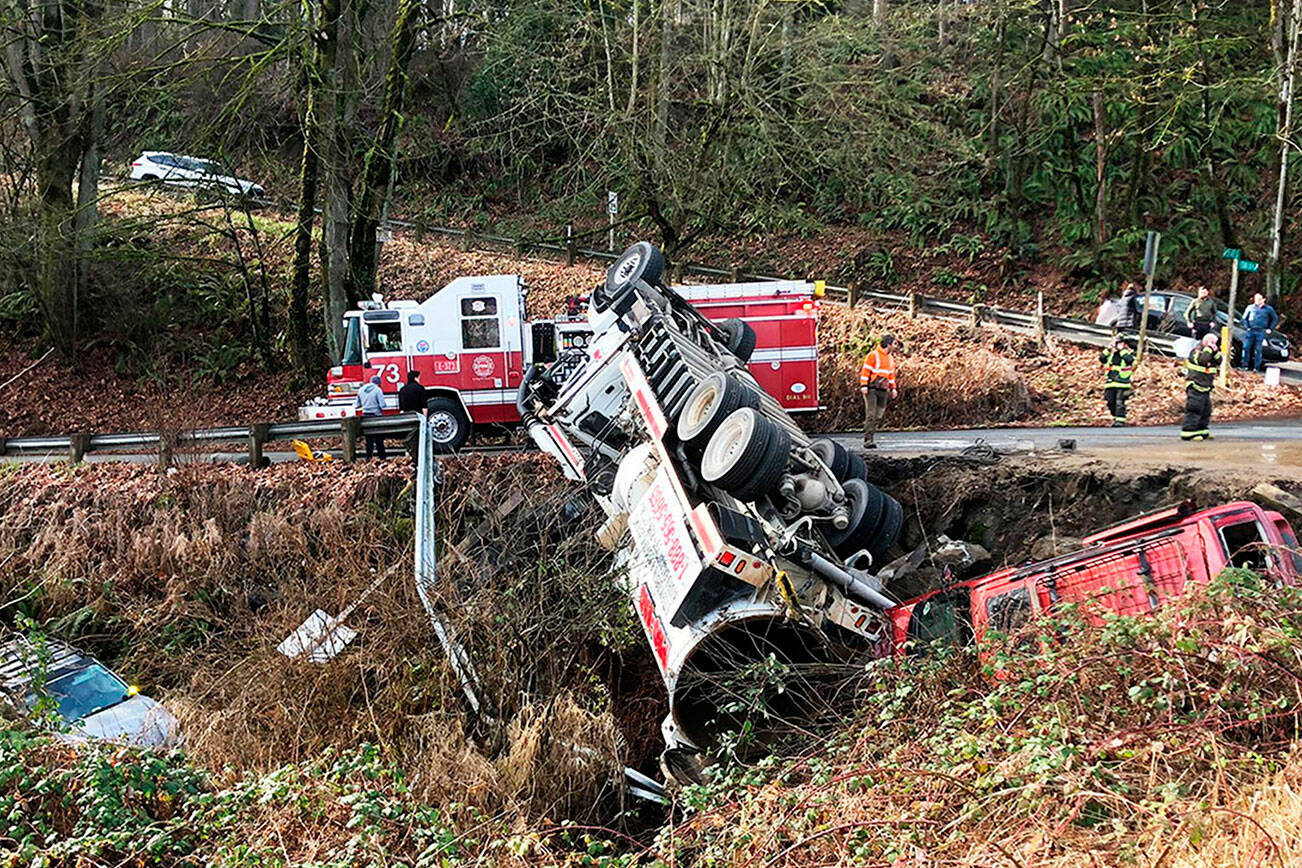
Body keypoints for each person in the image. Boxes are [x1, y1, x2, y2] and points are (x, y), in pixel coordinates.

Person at [859, 334, 898, 449]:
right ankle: (868, 440)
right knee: (871, 415)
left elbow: (891, 375)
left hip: (883, 390)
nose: (896, 346)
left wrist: (893, 388)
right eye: (894, 344)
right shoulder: (873, 355)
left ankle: (869, 431)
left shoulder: (890, 359)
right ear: (888, 344)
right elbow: (865, 372)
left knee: (879, 416)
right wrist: (864, 385)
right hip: (871, 389)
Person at [1181, 332, 1221, 442]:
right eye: (1212, 343)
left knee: (1206, 410)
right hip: (1195, 384)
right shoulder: (1196, 350)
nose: (1214, 345)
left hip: (1206, 385)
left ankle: (1201, 430)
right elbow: (1203, 360)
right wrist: (1208, 349)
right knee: (1195, 408)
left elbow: (1219, 361)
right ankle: (1188, 432)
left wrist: (1216, 351)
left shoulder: (1211, 351)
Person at [1099, 336, 1135, 427]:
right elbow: (1102, 359)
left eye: (1121, 343)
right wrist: (1108, 349)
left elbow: (1129, 360)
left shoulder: (1128, 353)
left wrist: (1122, 350)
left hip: (1122, 382)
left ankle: (1120, 420)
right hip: (1111, 382)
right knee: (1110, 401)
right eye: (1117, 343)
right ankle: (1116, 417)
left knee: (1119, 402)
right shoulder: (1112, 354)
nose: (1118, 345)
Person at [1240, 292, 1279, 373]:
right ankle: (1244, 366)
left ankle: (1256, 368)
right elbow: (1244, 318)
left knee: (1258, 349)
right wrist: (1247, 327)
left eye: (1259, 299)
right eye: (1256, 299)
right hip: (1250, 330)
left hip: (1261, 331)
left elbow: (1275, 319)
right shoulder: (1250, 307)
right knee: (1246, 348)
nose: (1257, 301)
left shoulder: (1268, 309)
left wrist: (1270, 328)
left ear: (1263, 299)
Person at [355, 374, 388, 459]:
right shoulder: (378, 390)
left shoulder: (361, 390)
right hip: (376, 416)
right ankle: (382, 457)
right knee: (379, 439)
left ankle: (368, 457)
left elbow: (357, 405)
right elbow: (382, 405)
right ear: (378, 383)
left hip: (365, 416)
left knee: (368, 439)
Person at [398, 370, 430, 458]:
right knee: (418, 436)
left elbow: (401, 408)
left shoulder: (402, 390)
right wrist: (425, 419)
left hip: (407, 417)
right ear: (416, 378)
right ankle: (418, 454)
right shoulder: (420, 388)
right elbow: (424, 406)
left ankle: (408, 452)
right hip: (417, 416)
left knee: (409, 436)